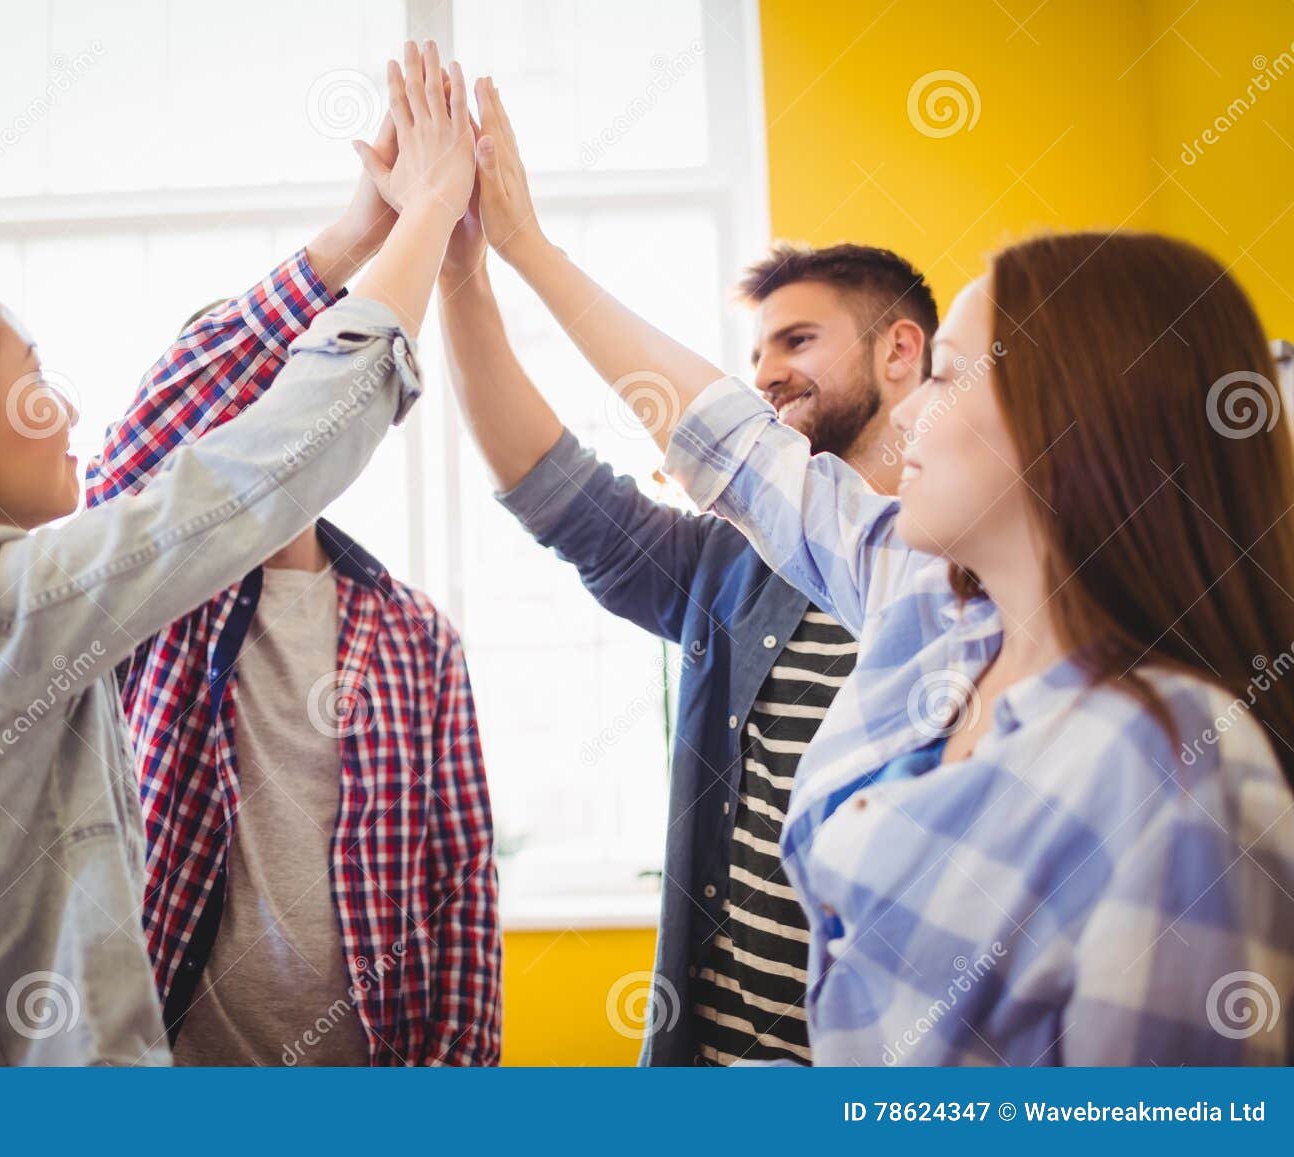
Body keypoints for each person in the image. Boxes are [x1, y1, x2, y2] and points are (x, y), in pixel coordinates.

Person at [466, 77, 1294, 1064]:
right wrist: (516, 245)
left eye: (944, 375)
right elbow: (728, 442)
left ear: (1062, 424)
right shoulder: (928, 606)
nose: (910, 416)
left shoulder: (1178, 767)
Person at [0, 44, 477, 1066]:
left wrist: (356, 233)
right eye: (34, 380)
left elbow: (183, 456)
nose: (67, 410)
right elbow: (253, 470)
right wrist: (427, 213)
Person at [437, 188, 935, 1059]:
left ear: (901, 351)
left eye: (799, 339)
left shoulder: (978, 572)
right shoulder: (730, 562)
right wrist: (462, 281)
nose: (767, 372)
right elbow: (553, 490)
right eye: (756, 351)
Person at [87, 42, 499, 1067]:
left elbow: (460, 880)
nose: (270, 431)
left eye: (291, 396)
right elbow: (134, 451)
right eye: (240, 410)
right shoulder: (148, 599)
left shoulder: (415, 634)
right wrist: (375, 228)